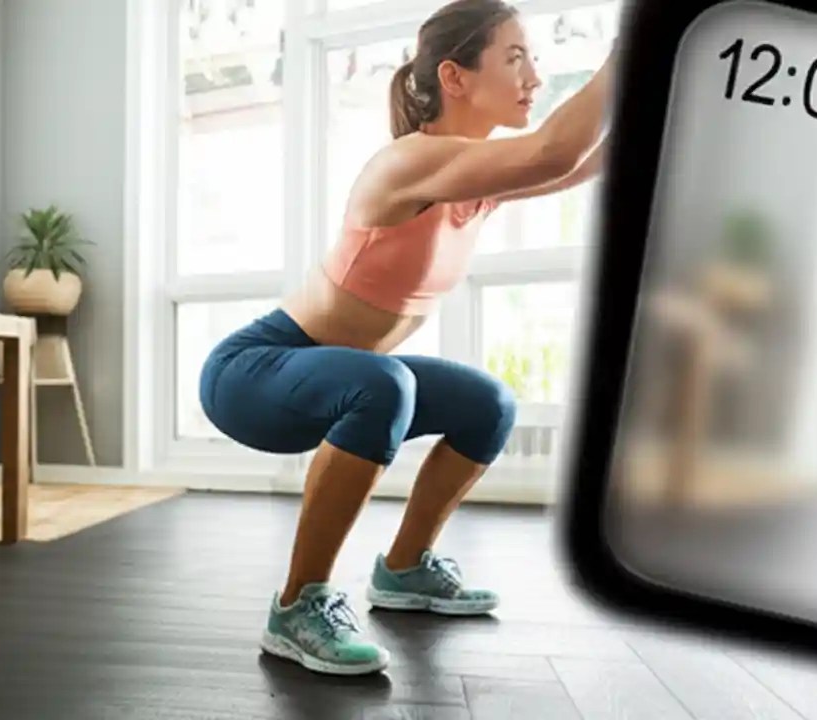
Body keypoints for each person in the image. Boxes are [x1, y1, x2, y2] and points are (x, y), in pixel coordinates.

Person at [198, 0, 614, 675]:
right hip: (253, 373)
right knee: (383, 382)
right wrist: (627, 55)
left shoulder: (469, 177)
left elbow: (572, 166)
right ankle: (298, 605)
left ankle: (404, 568)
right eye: (515, 57)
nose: (535, 75)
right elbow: (554, 151)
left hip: (343, 376)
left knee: (487, 404)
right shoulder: (407, 163)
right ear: (455, 77)